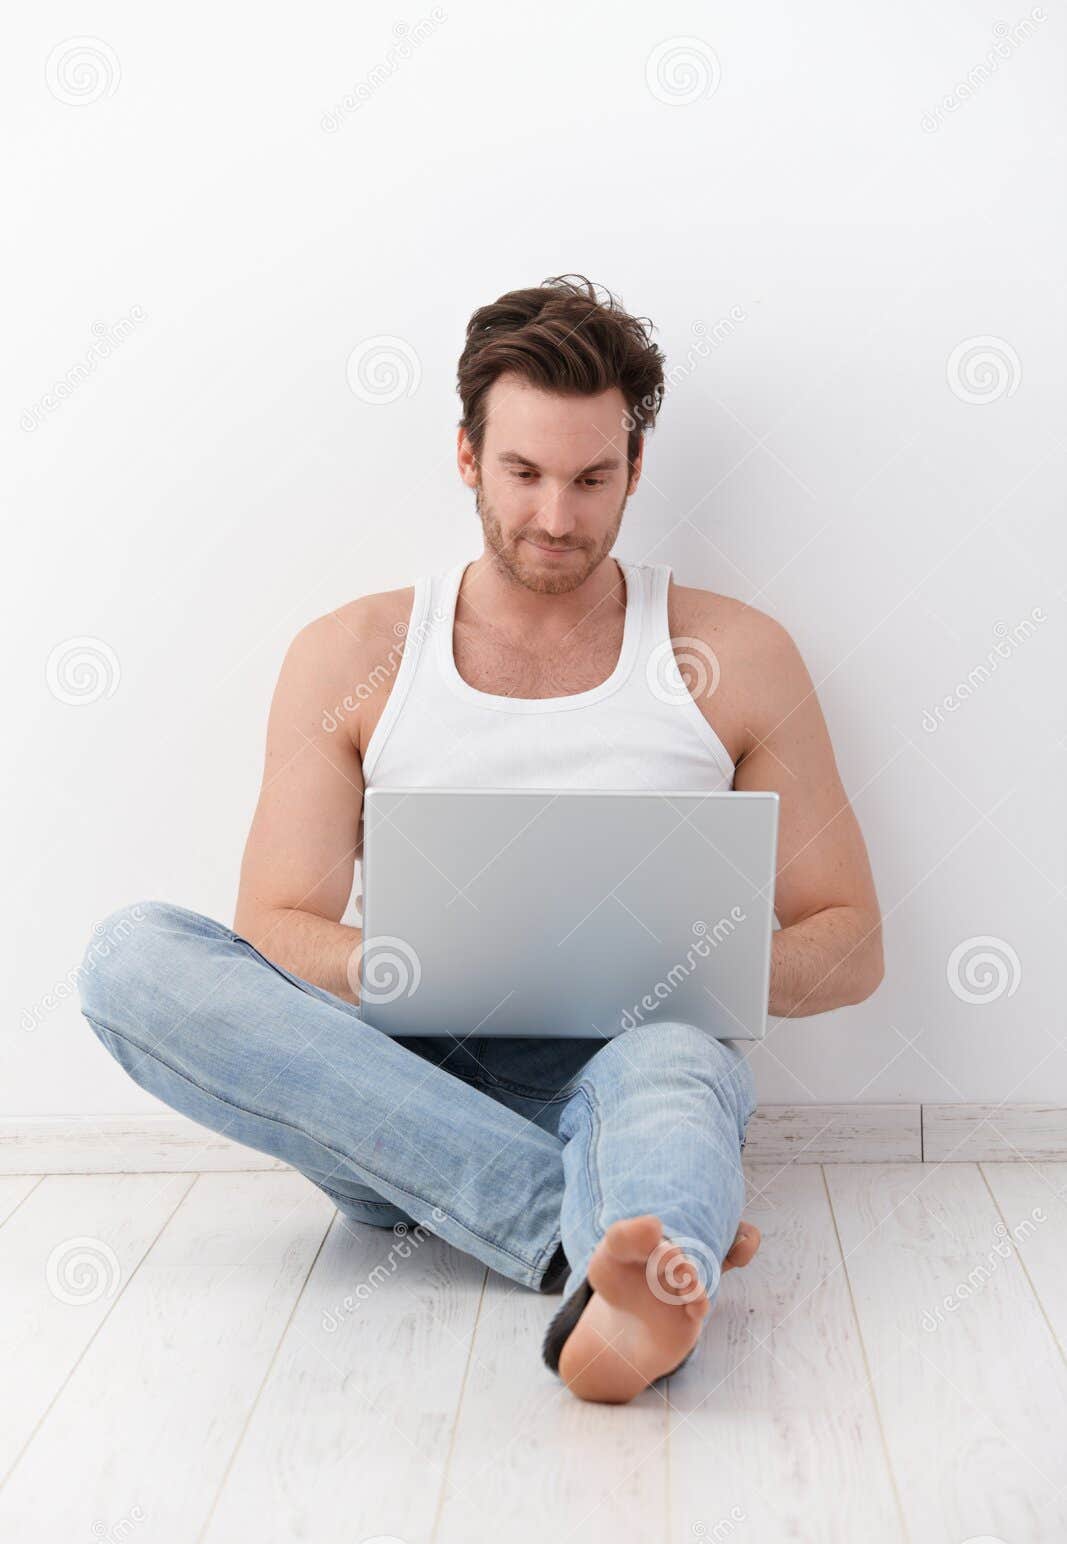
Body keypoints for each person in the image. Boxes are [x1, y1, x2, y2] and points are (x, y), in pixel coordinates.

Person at [78, 276, 883, 1405]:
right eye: (523, 473)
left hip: (620, 1062)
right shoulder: (354, 650)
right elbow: (273, 925)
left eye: (592, 478)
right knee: (131, 957)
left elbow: (850, 944)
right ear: (466, 457)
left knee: (676, 1066)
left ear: (634, 470)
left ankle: (626, 1301)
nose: (556, 516)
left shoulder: (733, 655)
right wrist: (418, 964)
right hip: (393, 1085)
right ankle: (587, 1247)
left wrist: (678, 970)